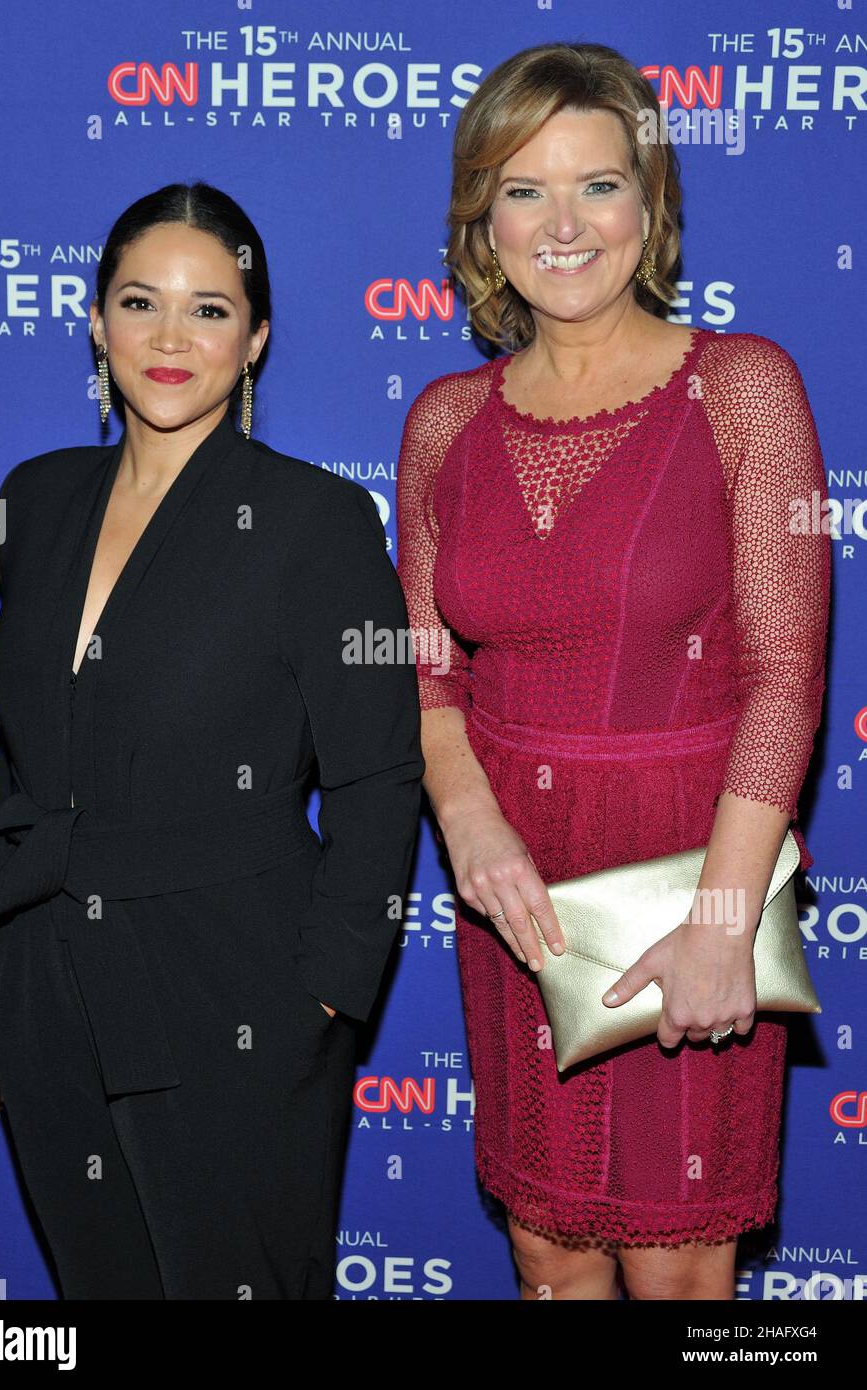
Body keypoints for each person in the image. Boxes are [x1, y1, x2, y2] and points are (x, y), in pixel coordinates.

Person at [395, 43, 831, 1301]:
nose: (563, 222)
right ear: (483, 218)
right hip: (522, 893)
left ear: (652, 207)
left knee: (680, 1262)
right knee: (547, 1247)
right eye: (524, 189)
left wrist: (723, 919)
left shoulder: (745, 388)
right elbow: (426, 668)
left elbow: (788, 677)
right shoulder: (443, 423)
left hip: (685, 870)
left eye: (599, 185)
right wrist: (467, 820)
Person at [0, 181, 424, 1300]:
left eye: (210, 309)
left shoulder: (317, 523)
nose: (171, 338)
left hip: (236, 991)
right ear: (95, 321)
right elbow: (31, 740)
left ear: (256, 337)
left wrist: (318, 996)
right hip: (44, 978)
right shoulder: (36, 498)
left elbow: (378, 779)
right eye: (139, 301)